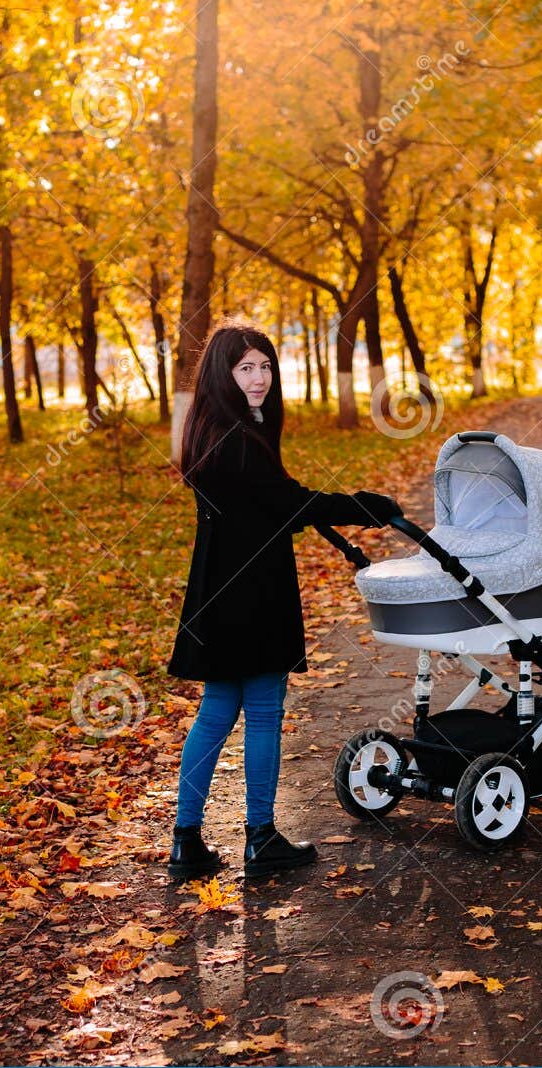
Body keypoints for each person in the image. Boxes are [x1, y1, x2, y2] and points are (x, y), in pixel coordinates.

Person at [166, 322, 401, 879]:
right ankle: (261, 835)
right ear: (223, 375)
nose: (259, 378)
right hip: (252, 594)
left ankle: (186, 839)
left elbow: (265, 507)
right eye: (245, 368)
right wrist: (364, 507)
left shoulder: (211, 429)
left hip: (218, 591)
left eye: (266, 366)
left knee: (216, 712)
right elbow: (289, 503)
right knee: (264, 711)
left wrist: (307, 515)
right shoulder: (237, 438)